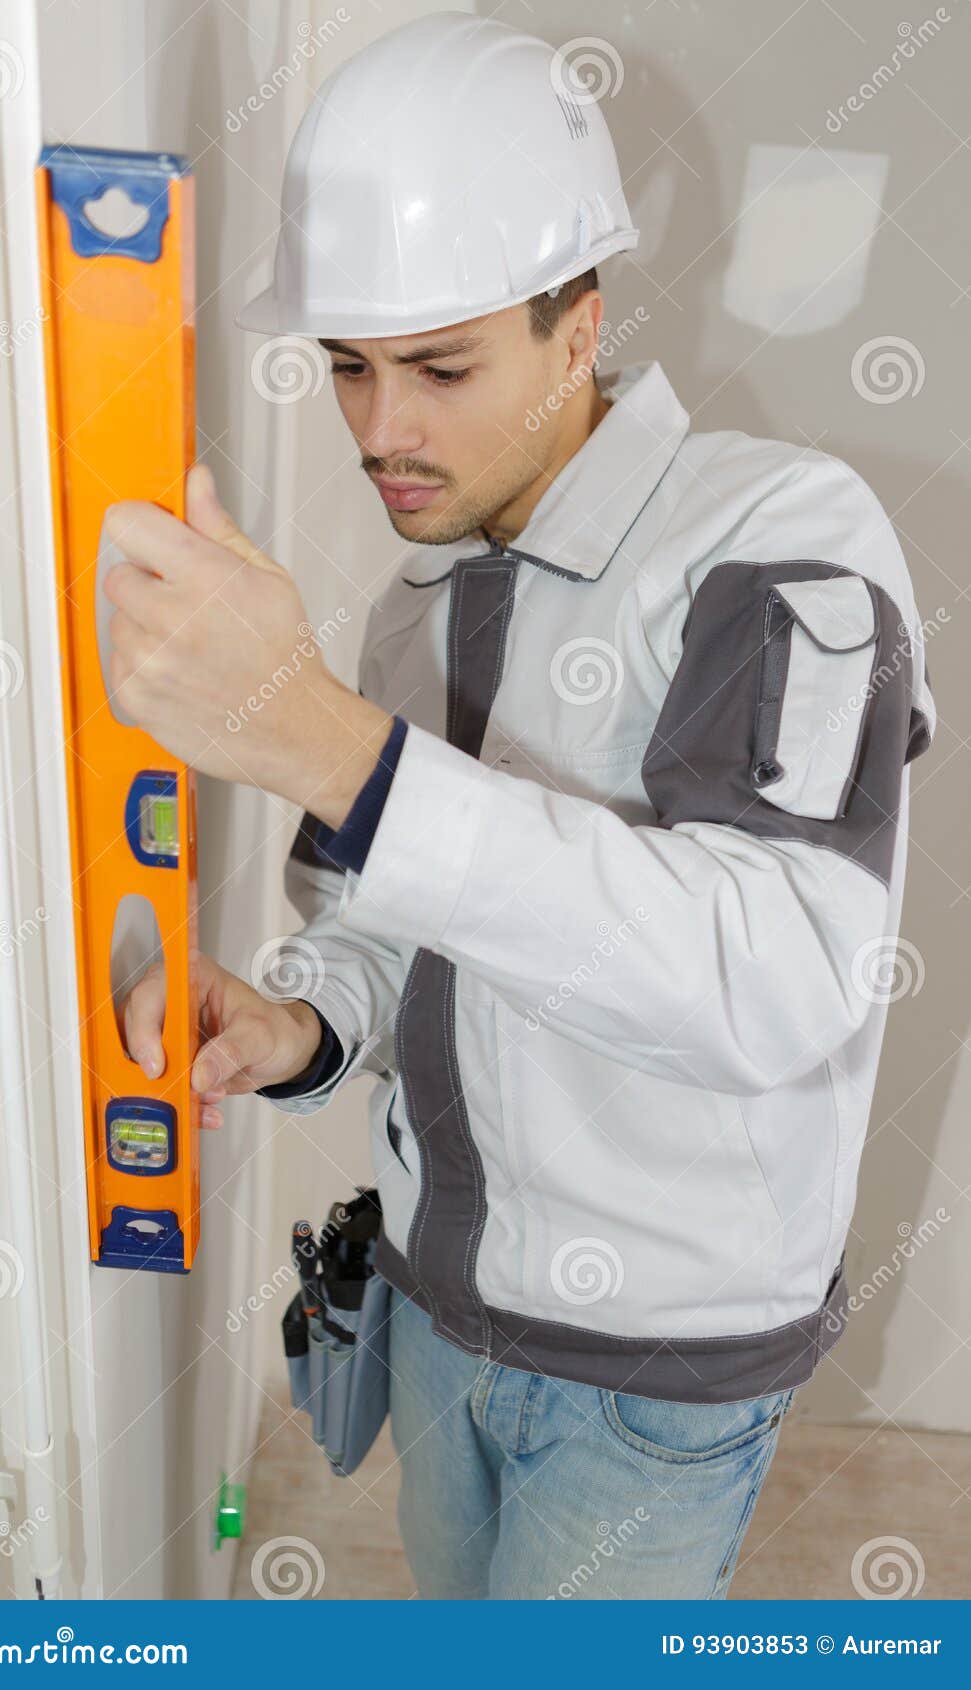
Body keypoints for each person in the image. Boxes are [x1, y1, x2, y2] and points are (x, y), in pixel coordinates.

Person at [110, 14, 934, 1598]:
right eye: (347, 364)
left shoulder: (781, 537)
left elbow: (776, 972)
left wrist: (335, 750)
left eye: (440, 367)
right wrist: (300, 1020)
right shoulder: (418, 610)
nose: (380, 429)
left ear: (579, 328)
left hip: (651, 1379)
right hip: (437, 1308)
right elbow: (389, 928)